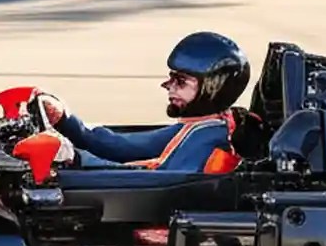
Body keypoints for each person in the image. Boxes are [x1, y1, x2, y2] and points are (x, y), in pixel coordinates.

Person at [40, 31, 253, 172]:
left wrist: (73, 159)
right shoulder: (201, 127)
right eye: (172, 78)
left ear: (211, 89)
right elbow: (127, 147)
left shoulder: (207, 137)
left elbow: (157, 181)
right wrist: (65, 121)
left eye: (181, 81)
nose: (168, 86)